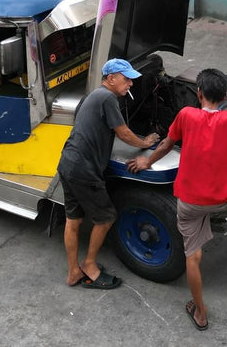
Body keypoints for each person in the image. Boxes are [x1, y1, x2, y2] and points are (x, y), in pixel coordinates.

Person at [126, 68, 227, 331]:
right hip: (221, 201)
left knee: (192, 257)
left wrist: (146, 161)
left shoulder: (185, 114)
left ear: (198, 93)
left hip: (188, 203)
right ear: (224, 95)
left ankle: (200, 312)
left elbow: (166, 144)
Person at [58, 58, 159, 290]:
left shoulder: (92, 96)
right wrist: (145, 142)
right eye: (126, 79)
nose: (130, 84)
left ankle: (73, 272)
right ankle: (89, 265)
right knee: (106, 218)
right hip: (84, 170)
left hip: (68, 163)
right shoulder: (107, 98)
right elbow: (123, 133)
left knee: (73, 220)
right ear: (111, 78)